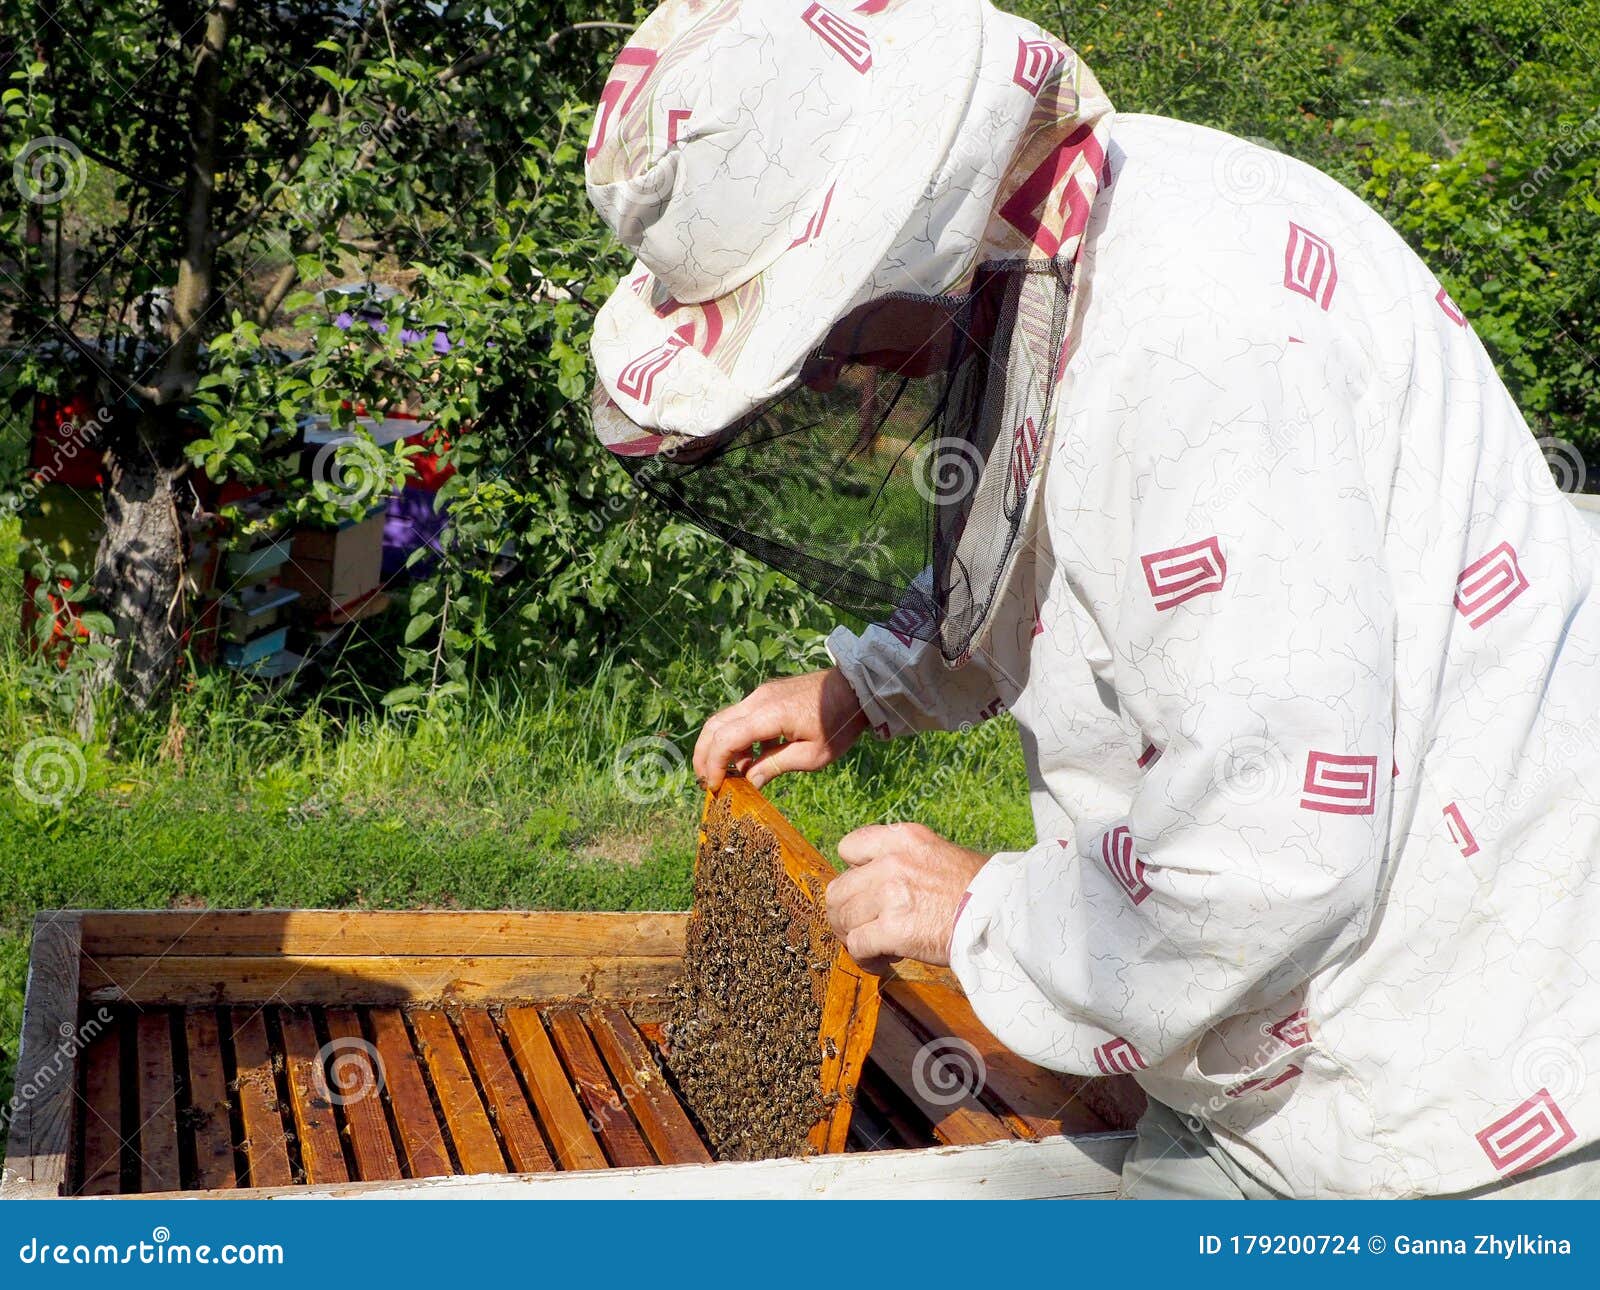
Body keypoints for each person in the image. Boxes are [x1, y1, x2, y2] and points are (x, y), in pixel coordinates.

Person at [584, 0, 1600, 1197]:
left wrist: (978, 908)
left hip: (1428, 1104)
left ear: (899, 225)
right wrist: (865, 686)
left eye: (823, 330)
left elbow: (1265, 849)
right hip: (1273, 1052)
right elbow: (1040, 538)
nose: (840, 374)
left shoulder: (1202, 338)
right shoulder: (1064, 245)